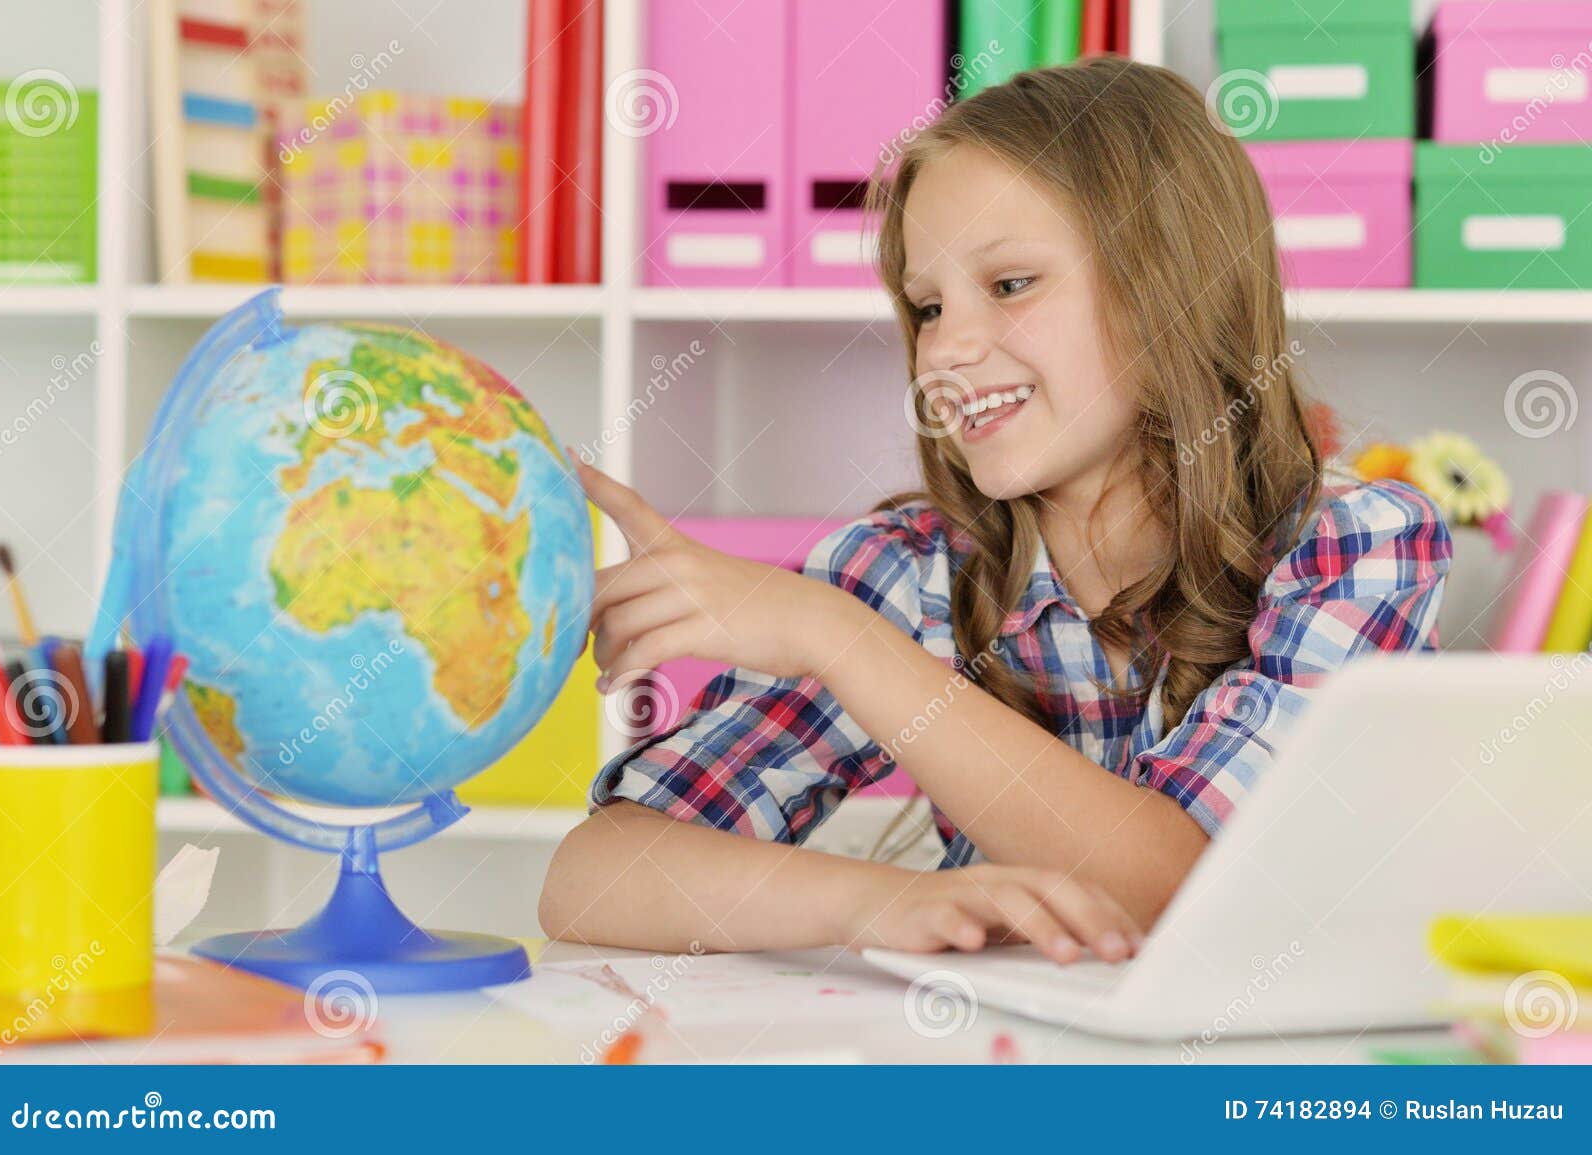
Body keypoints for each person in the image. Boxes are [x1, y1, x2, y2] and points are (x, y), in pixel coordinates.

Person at [539, 58, 1450, 965]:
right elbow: (591, 879)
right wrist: (881, 902)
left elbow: (1176, 891)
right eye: (927, 305)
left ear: (1173, 287)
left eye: (1011, 285)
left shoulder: (1359, 546)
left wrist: (839, 642)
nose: (948, 347)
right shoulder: (906, 573)